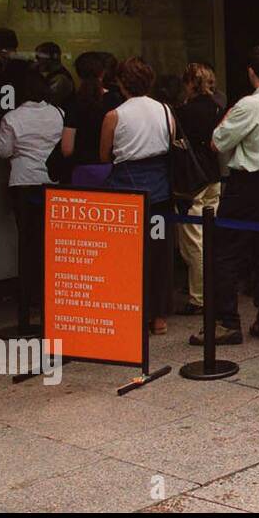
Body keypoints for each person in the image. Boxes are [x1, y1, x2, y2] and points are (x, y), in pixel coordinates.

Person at [196, 45, 259, 347]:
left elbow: (217, 142)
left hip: (247, 181)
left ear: (251, 72)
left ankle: (227, 322)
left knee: (225, 250)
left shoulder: (248, 105)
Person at [99, 57, 176, 335]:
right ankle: (159, 316)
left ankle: (132, 311)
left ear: (121, 83)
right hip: (160, 188)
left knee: (127, 256)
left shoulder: (115, 116)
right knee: (159, 254)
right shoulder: (165, 110)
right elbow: (171, 143)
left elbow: (104, 154)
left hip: (125, 189)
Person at [0, 71, 63, 328]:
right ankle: (50, 300)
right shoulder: (58, 113)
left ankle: (29, 301)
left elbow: (3, 151)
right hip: (52, 182)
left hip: (23, 183)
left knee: (27, 243)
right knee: (50, 243)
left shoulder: (12, 117)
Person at [173, 62, 225, 316]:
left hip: (192, 179)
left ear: (189, 83)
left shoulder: (183, 112)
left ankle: (199, 297)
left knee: (193, 241)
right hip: (213, 175)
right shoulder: (218, 107)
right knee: (211, 236)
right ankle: (214, 288)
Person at [60, 51, 123, 187]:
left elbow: (67, 148)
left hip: (81, 171)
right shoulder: (115, 100)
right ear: (103, 72)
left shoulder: (74, 103)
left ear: (78, 74)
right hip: (111, 171)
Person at [33, 42, 75, 109]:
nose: (37, 61)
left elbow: (46, 102)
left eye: (39, 57)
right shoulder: (56, 76)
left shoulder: (60, 79)